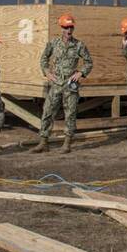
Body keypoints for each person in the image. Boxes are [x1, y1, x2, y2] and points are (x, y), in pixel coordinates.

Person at [32, 13, 92, 154]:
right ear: (61, 28)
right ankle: (43, 142)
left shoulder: (79, 45)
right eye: (66, 27)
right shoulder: (53, 43)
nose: (68, 30)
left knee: (70, 113)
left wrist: (81, 73)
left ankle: (67, 143)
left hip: (70, 84)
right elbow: (43, 59)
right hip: (56, 83)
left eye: (71, 27)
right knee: (47, 111)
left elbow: (89, 62)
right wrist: (47, 72)